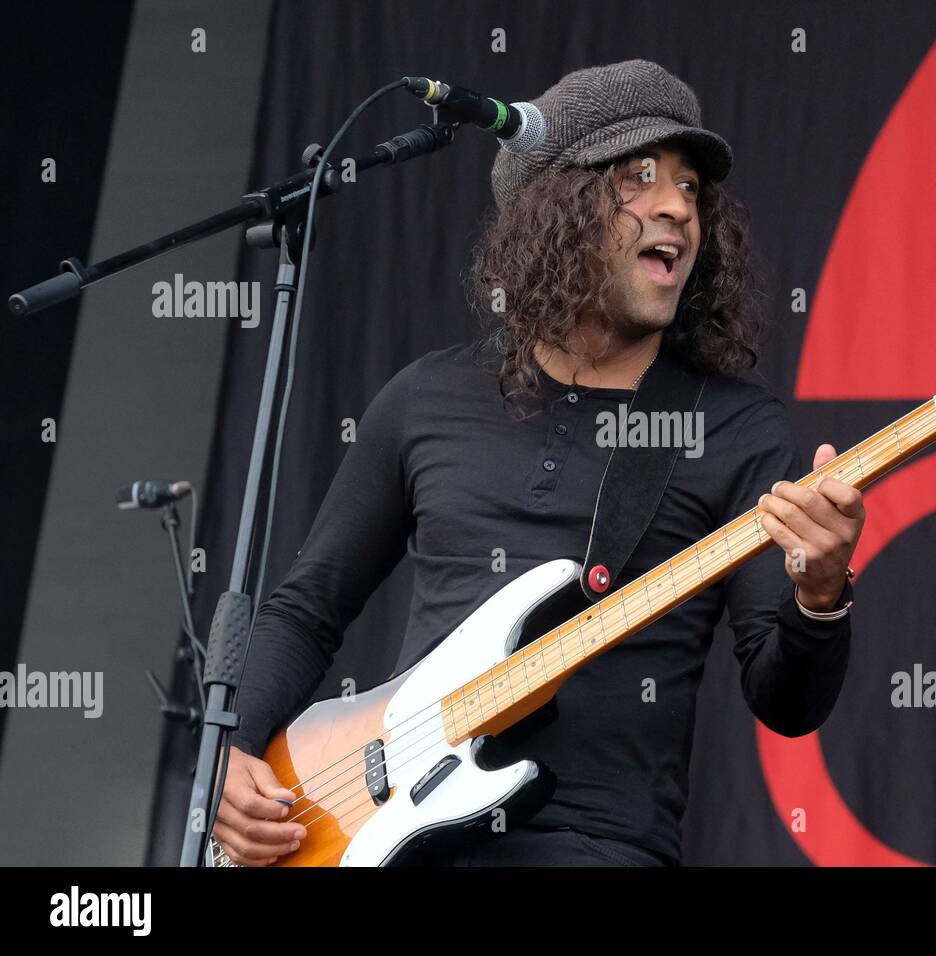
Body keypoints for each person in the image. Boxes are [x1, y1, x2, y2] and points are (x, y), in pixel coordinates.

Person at [213, 59, 865, 867]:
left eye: (691, 187)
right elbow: (309, 607)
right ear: (555, 211)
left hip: (595, 846)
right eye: (638, 177)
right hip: (392, 836)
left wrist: (821, 595)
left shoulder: (731, 426)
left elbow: (788, 701)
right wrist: (230, 756)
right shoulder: (428, 398)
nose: (676, 206)